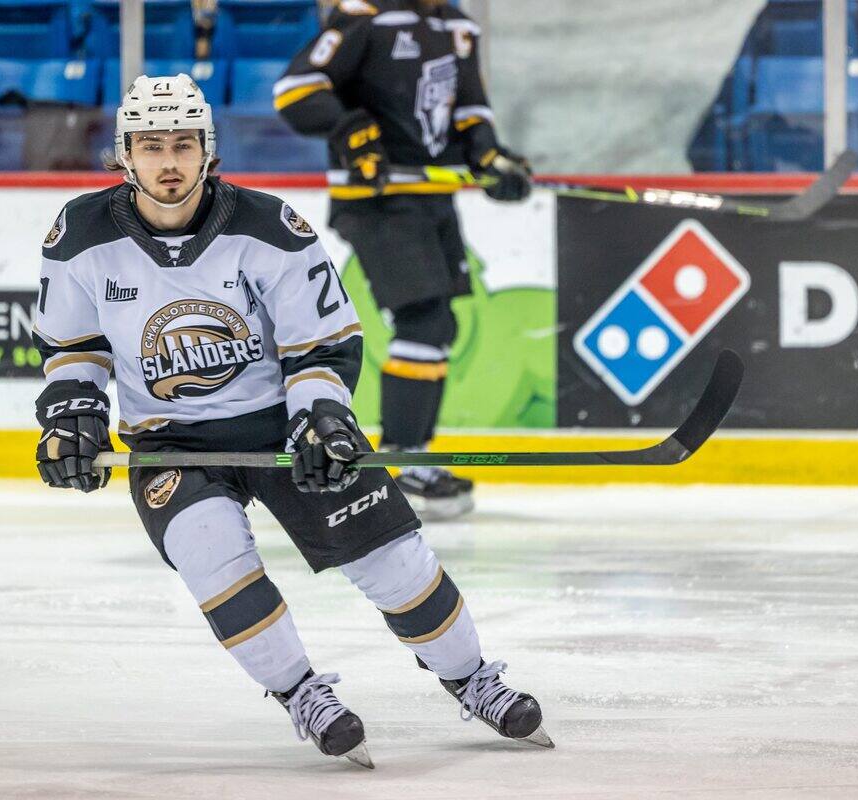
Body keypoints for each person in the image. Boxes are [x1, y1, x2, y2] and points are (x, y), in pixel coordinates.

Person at [31, 73, 552, 767]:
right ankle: (302, 694)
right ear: (123, 155)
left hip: (282, 431)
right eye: (150, 145)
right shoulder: (80, 236)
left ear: (208, 151)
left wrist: (323, 419)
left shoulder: (269, 227)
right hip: (171, 445)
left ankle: (472, 678)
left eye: (183, 144)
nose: (168, 161)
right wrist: (73, 413)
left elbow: (321, 343)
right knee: (215, 563)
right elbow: (75, 345)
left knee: (395, 564)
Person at [274, 0, 533, 520]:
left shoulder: (456, 24)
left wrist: (490, 157)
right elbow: (296, 90)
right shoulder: (364, 16)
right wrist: (350, 128)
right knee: (424, 318)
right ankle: (401, 460)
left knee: (439, 326)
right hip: (378, 201)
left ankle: (411, 456)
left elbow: (469, 109)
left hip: (431, 198)